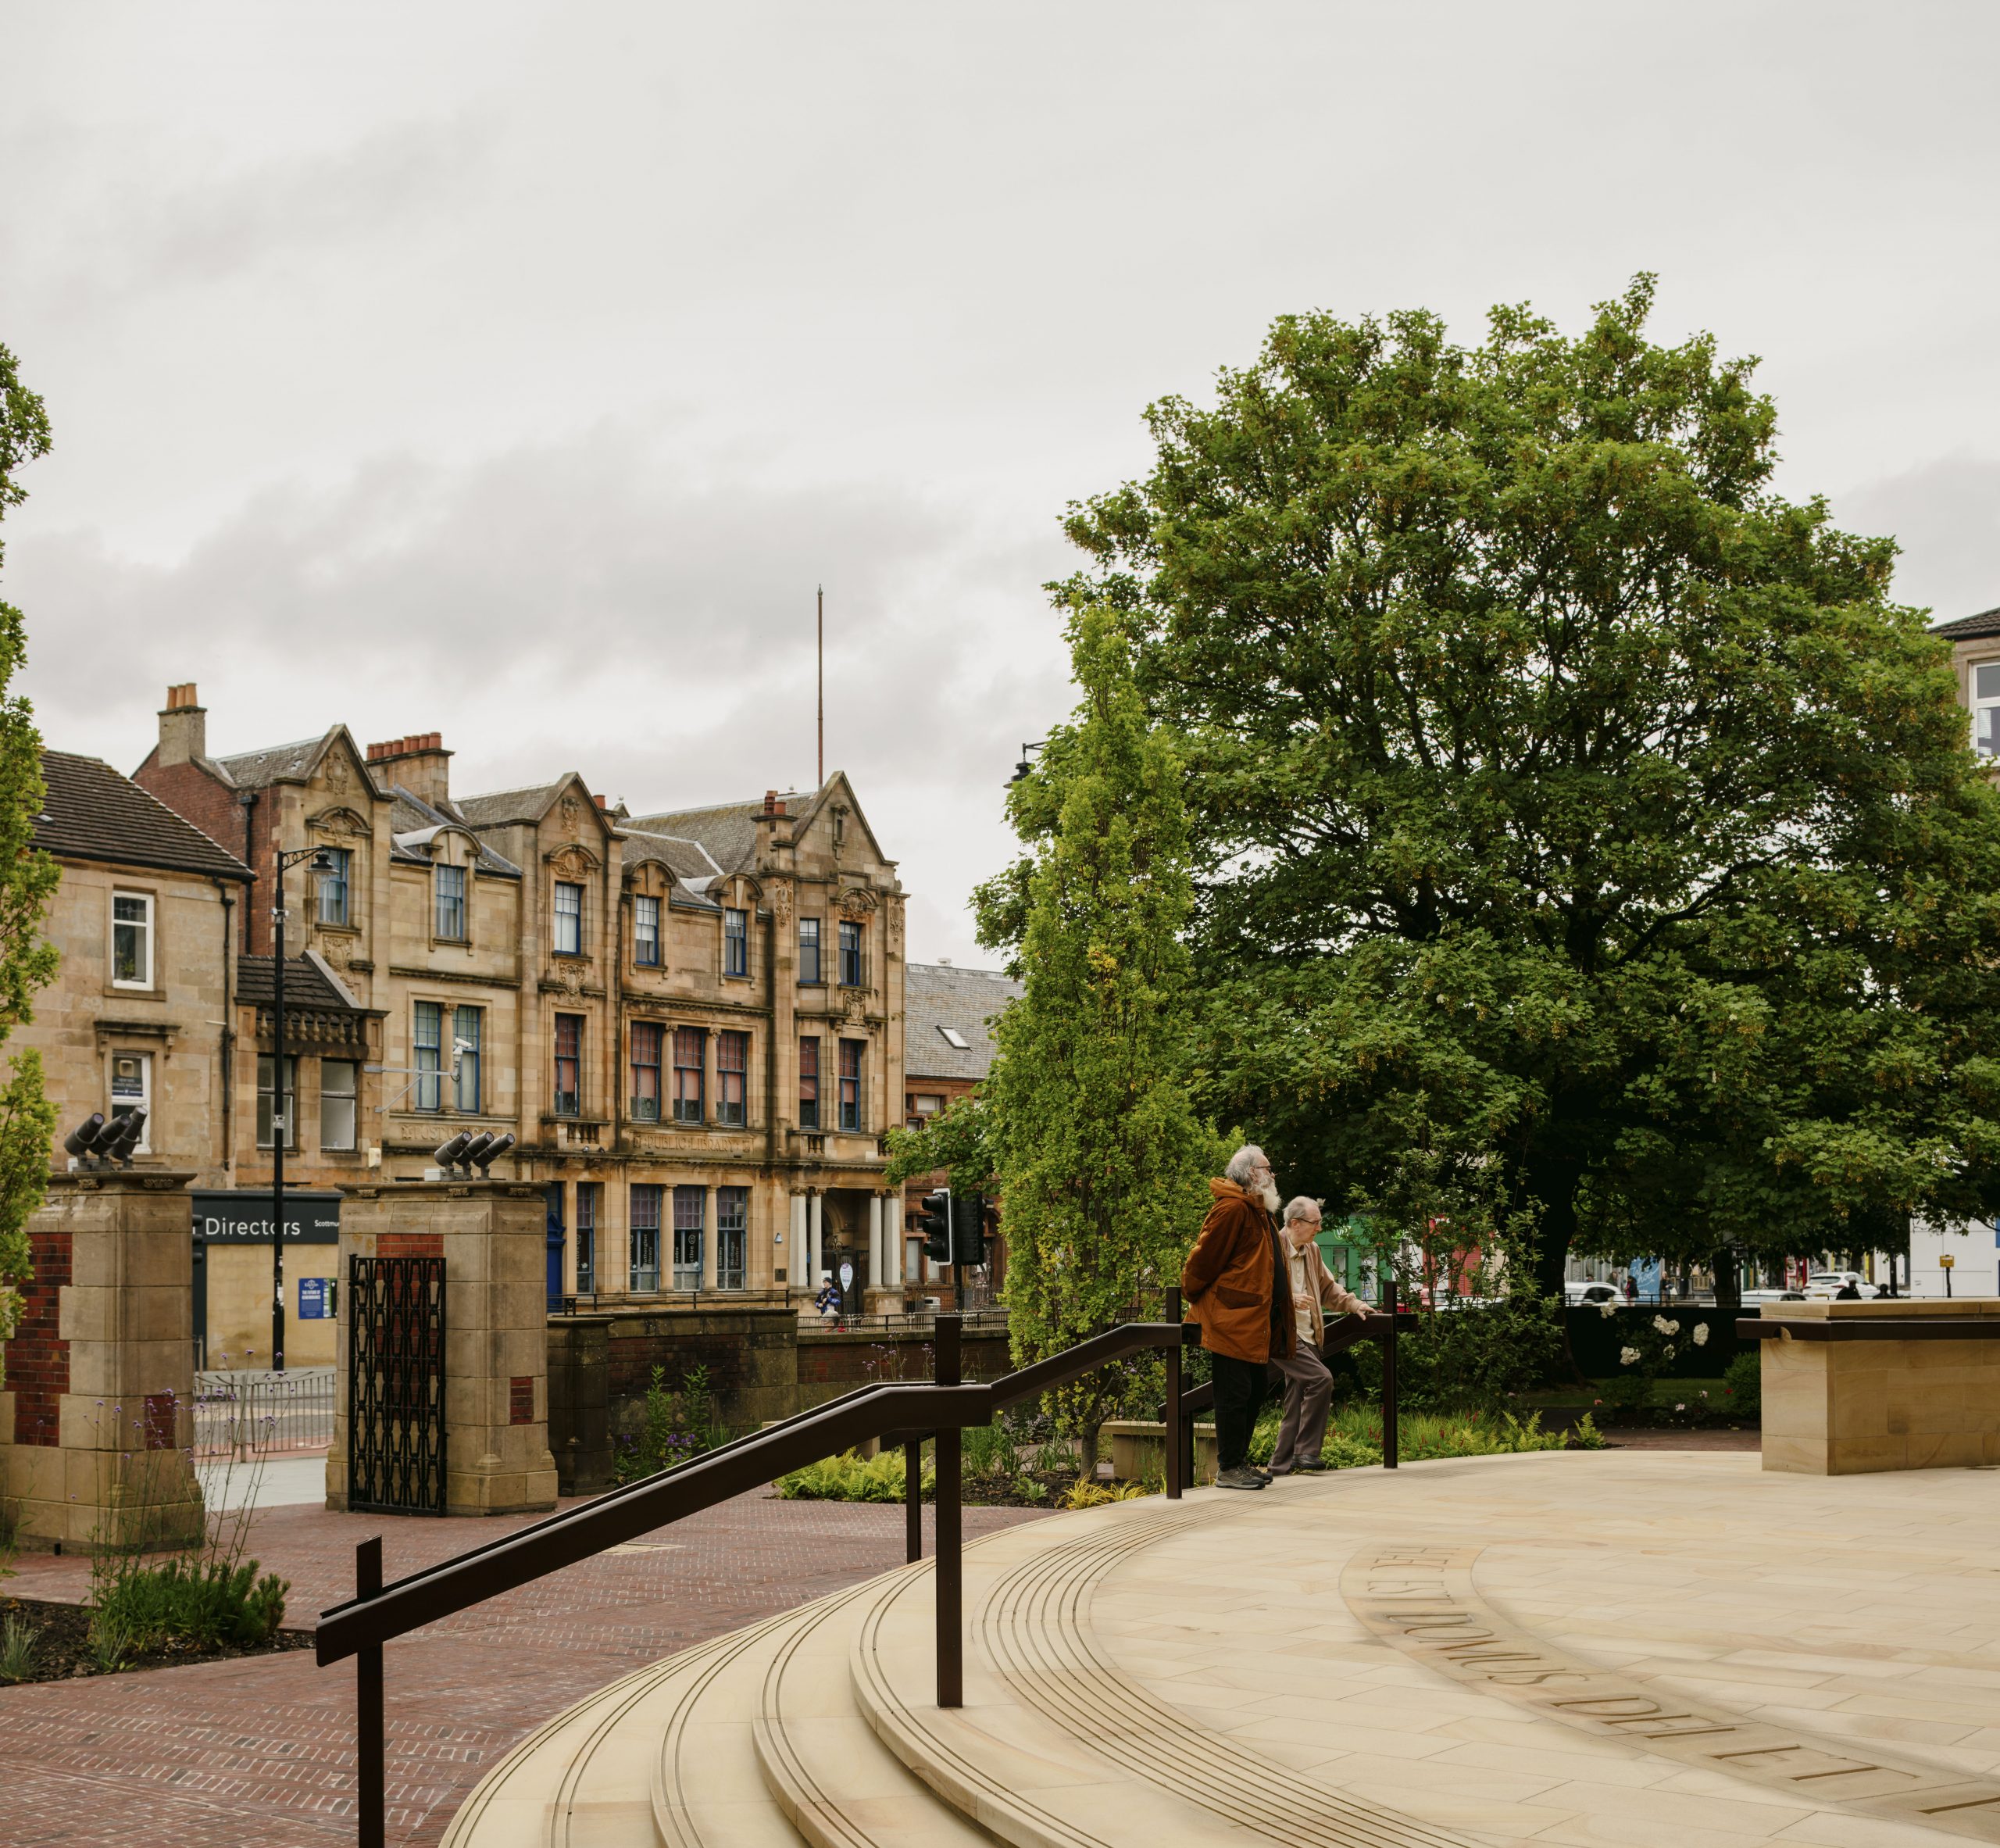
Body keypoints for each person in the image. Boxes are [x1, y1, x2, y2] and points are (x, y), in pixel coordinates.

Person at [1182, 1145, 1291, 1490]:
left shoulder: (1259, 1209)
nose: (1272, 1174)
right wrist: (1193, 1292)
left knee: (1255, 1390)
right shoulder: (1232, 1208)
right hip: (1232, 1319)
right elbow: (1203, 1260)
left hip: (1252, 1319)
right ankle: (1229, 1468)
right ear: (1250, 1173)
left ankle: (1239, 1462)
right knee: (1234, 1393)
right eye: (1267, 1168)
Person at [1269, 1198, 1373, 1474]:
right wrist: (1289, 1300)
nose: (1319, 1228)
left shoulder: (1312, 1250)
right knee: (1321, 1379)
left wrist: (1355, 1304)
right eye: (1315, 1223)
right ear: (1294, 1224)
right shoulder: (1270, 1248)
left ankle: (1279, 1467)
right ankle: (1306, 1452)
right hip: (1282, 1334)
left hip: (1309, 1334)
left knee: (1296, 1399)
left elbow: (1328, 1289)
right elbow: (1257, 1291)